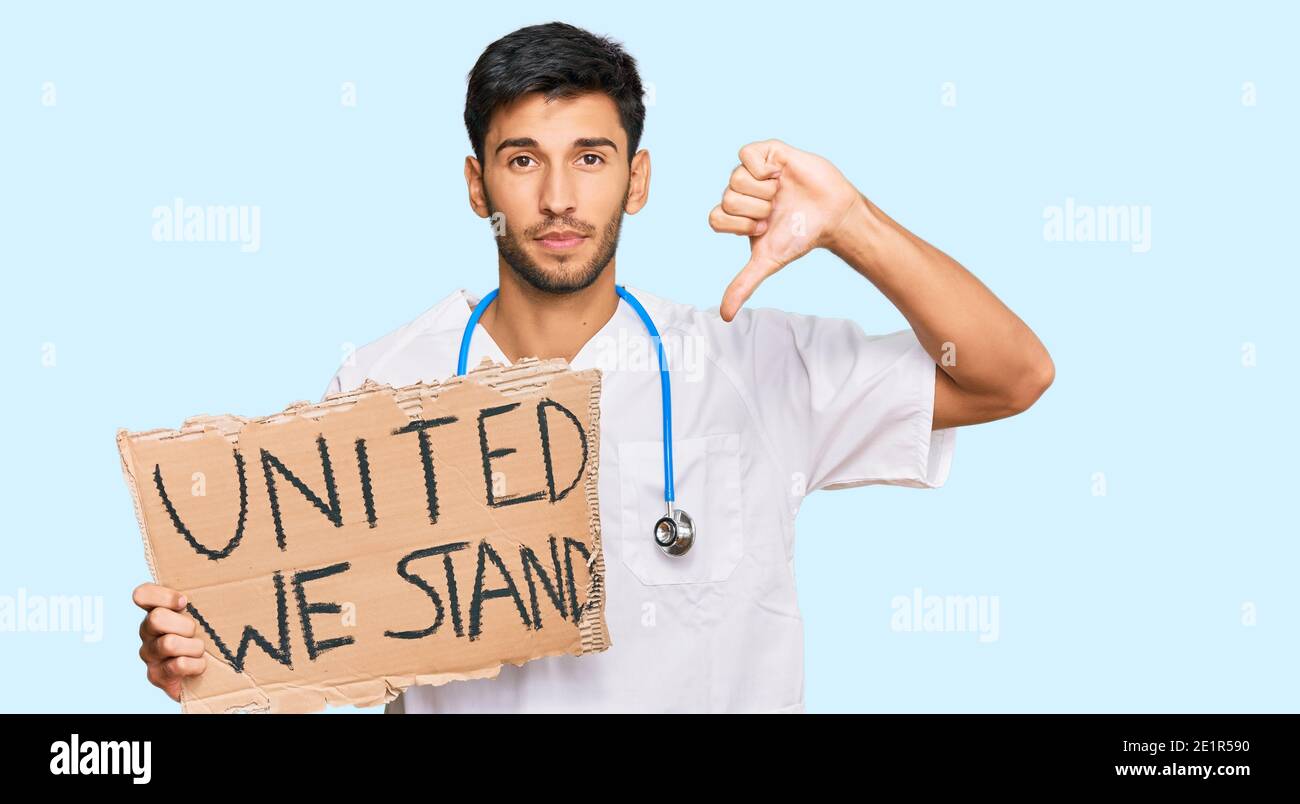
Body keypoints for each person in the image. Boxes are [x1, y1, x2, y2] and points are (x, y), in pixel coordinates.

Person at [133, 20, 1053, 713]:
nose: (560, 198)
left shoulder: (756, 362)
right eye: (523, 159)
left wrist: (852, 224)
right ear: (476, 185)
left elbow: (1010, 376)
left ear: (638, 180)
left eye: (592, 158)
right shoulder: (378, 385)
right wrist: (213, 660)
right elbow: (334, 649)